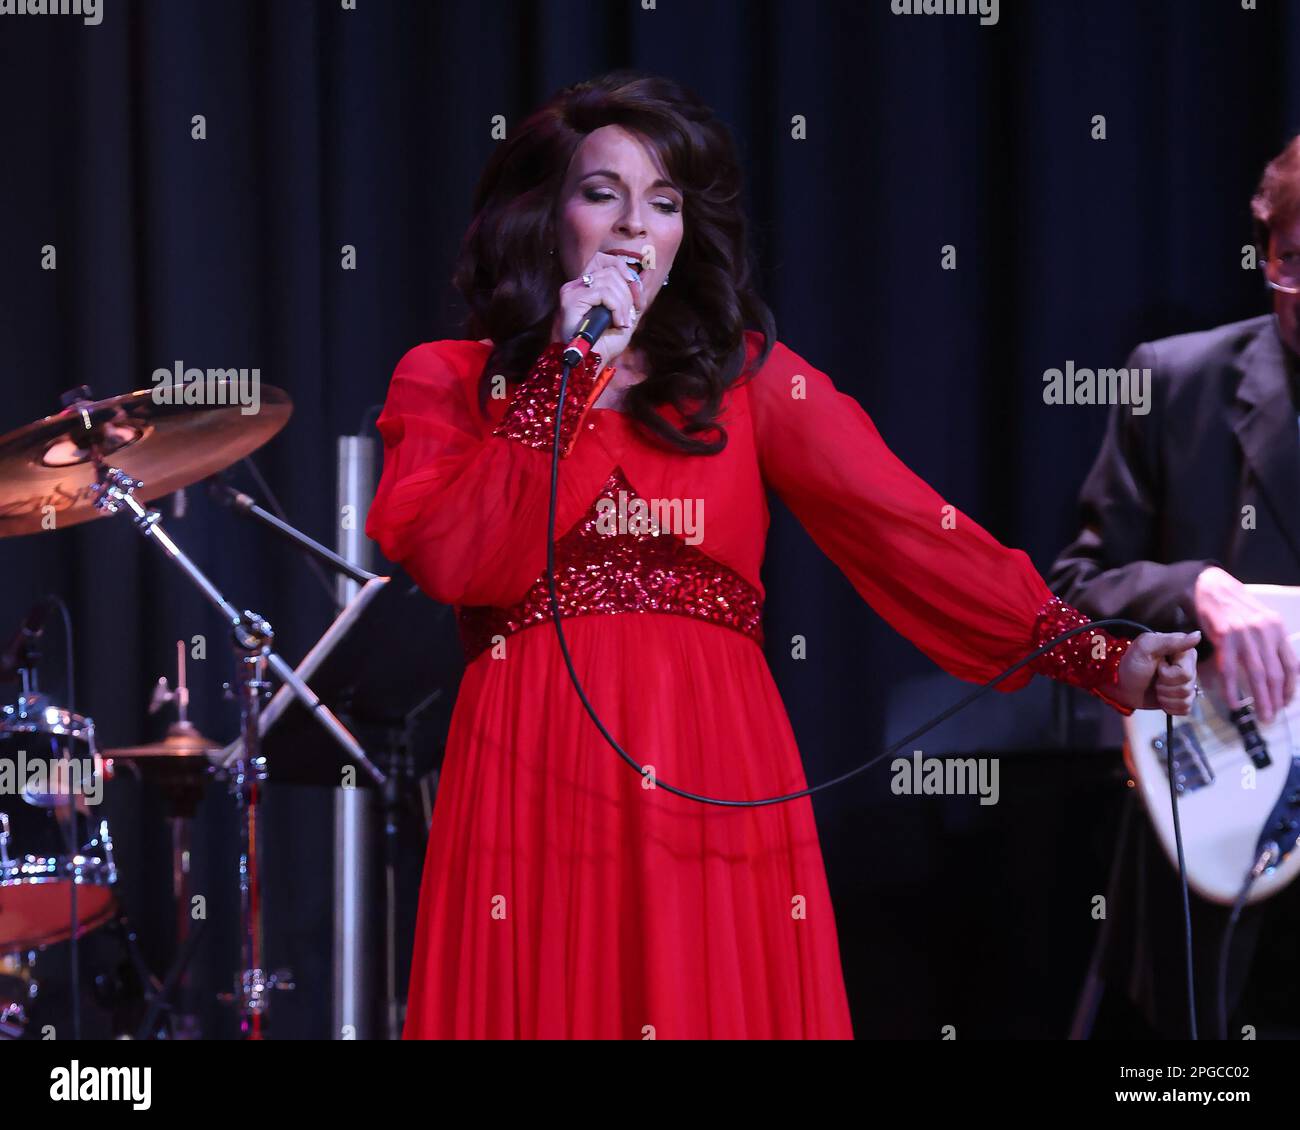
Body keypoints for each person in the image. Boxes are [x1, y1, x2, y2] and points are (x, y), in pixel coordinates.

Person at [366, 71, 1198, 1040]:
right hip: (530, 765)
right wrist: (569, 368)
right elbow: (462, 562)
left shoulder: (749, 380)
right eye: (604, 193)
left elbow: (912, 531)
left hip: (708, 761)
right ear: (545, 215)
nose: (636, 225)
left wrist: (1098, 655)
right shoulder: (452, 378)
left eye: (665, 202)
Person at [1050, 135, 1300, 1038]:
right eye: (1296, 265)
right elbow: (1073, 590)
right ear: (1266, 251)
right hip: (1213, 805)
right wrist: (1197, 586)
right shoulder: (1176, 381)